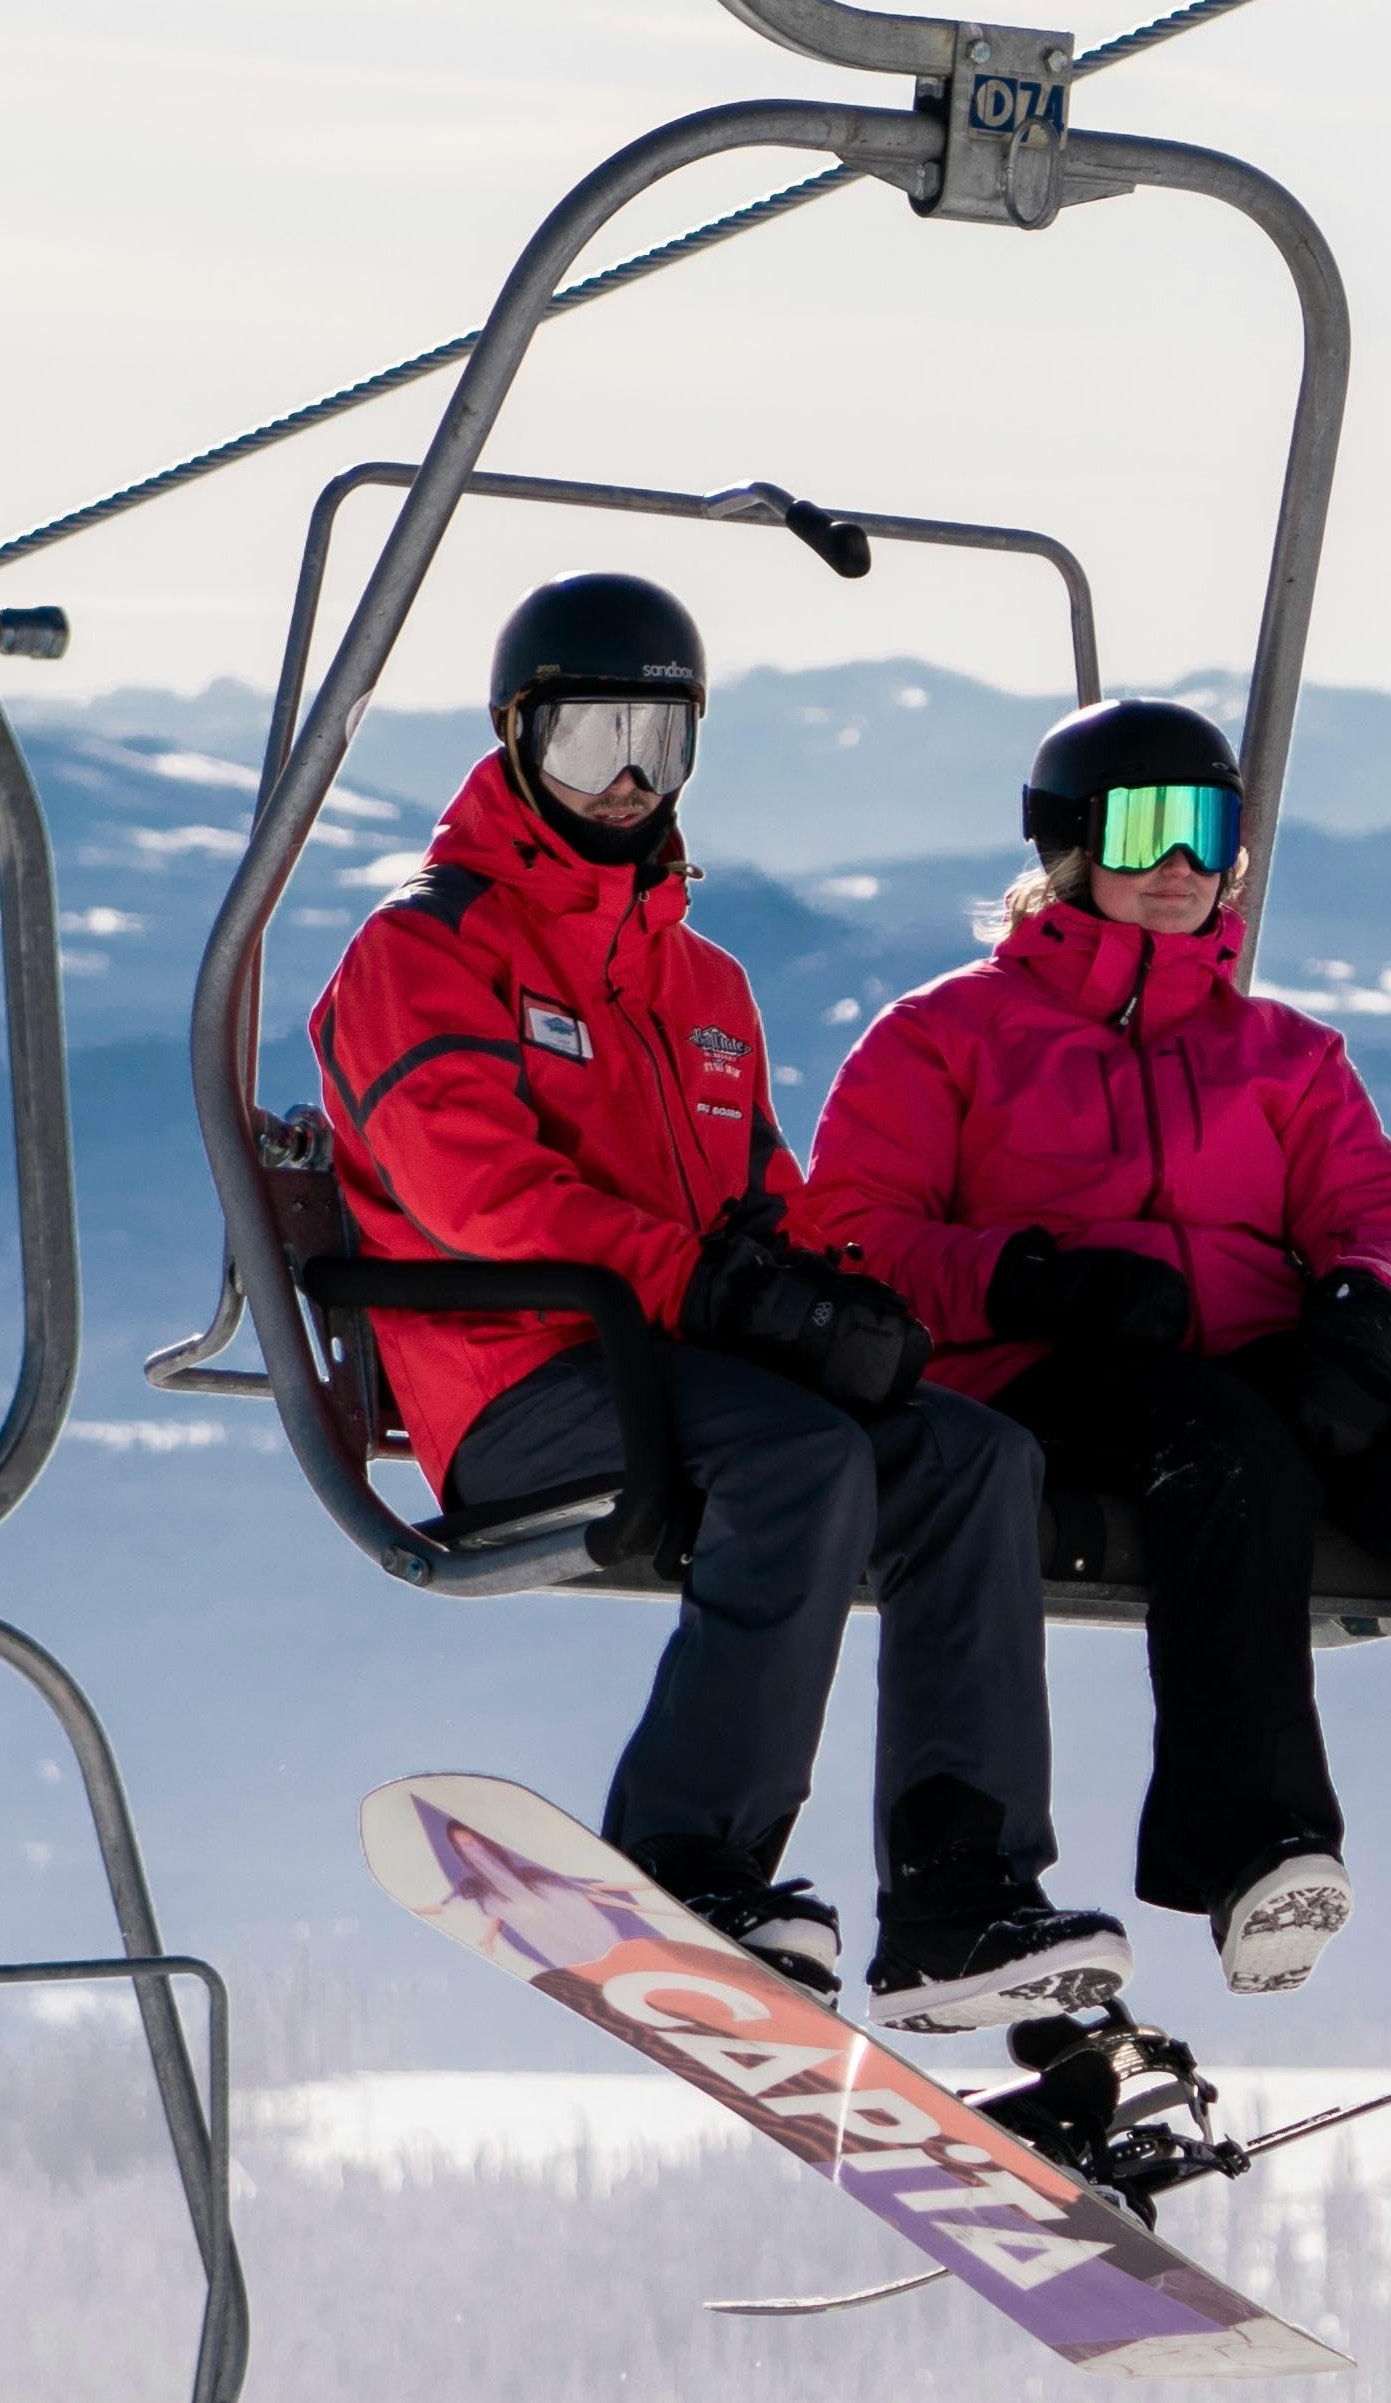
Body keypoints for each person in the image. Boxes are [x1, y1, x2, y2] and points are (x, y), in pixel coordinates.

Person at [800, 691, 1391, 2023]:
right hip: (1052, 1368)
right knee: (1220, 1451)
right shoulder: (945, 1038)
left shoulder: (1279, 1051)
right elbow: (856, 1236)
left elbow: (1382, 1218)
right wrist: (1029, 1274)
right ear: (1068, 846)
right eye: (1144, 828)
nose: (1180, 865)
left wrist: (1359, 1315)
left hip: (1259, 1361)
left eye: (1208, 829)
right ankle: (1255, 1843)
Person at [309, 571, 1129, 2029]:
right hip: (521, 1388)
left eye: (660, 743)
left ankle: (958, 1888)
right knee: (801, 1454)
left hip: (684, 1375)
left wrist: (846, 1307)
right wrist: (714, 1287)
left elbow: (770, 1199)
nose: (625, 781)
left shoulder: (703, 986)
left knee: (968, 1455)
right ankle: (691, 1854)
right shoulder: (425, 948)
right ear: (514, 739)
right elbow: (474, 1196)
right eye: (589, 740)